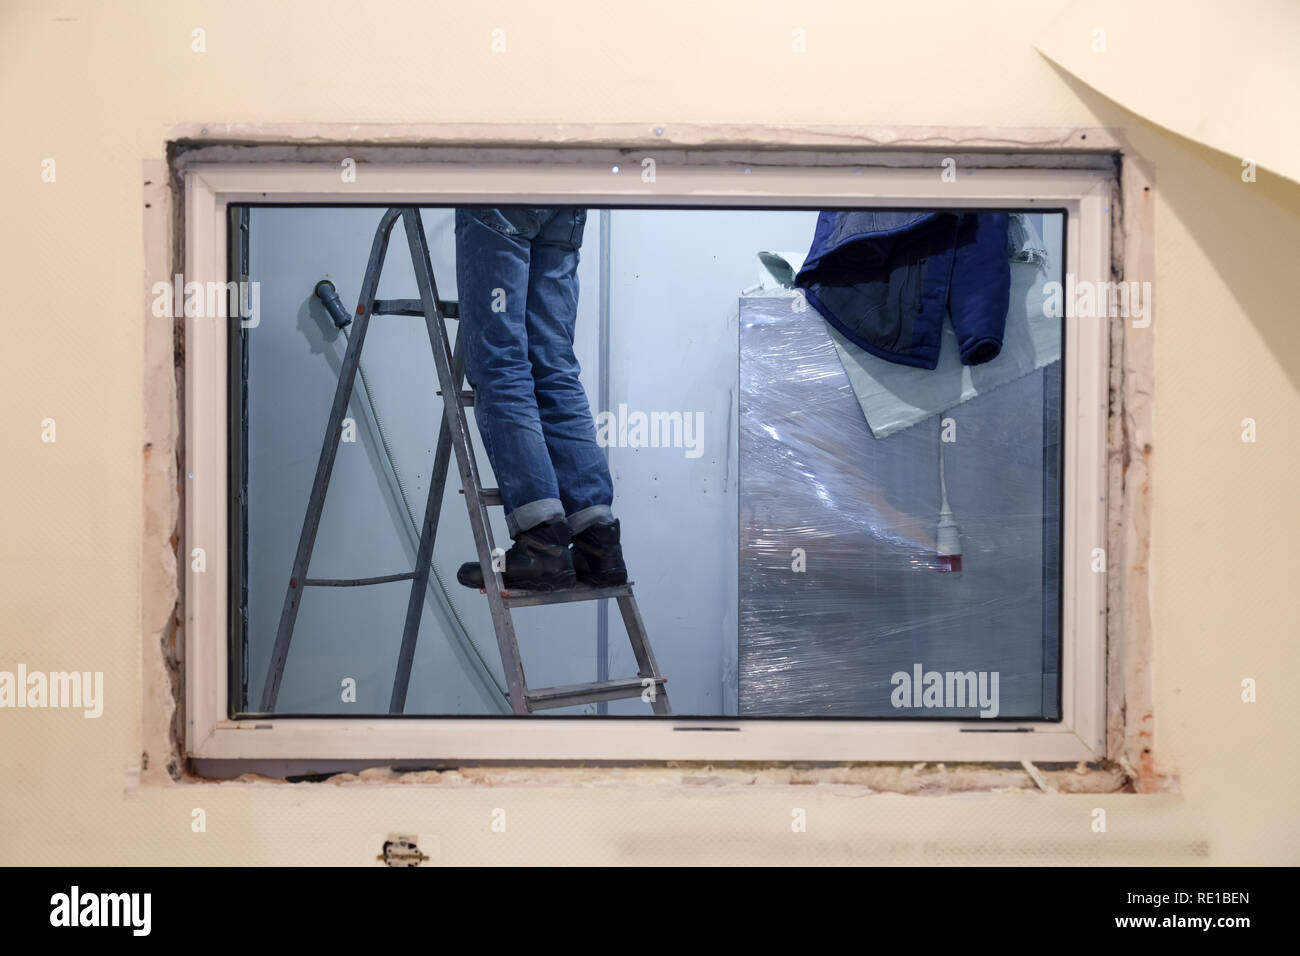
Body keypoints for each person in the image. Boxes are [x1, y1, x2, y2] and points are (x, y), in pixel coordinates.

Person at [453, 206, 626, 591]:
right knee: (555, 367)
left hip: (504, 180)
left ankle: (541, 545)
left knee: (501, 363)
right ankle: (599, 543)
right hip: (568, 189)